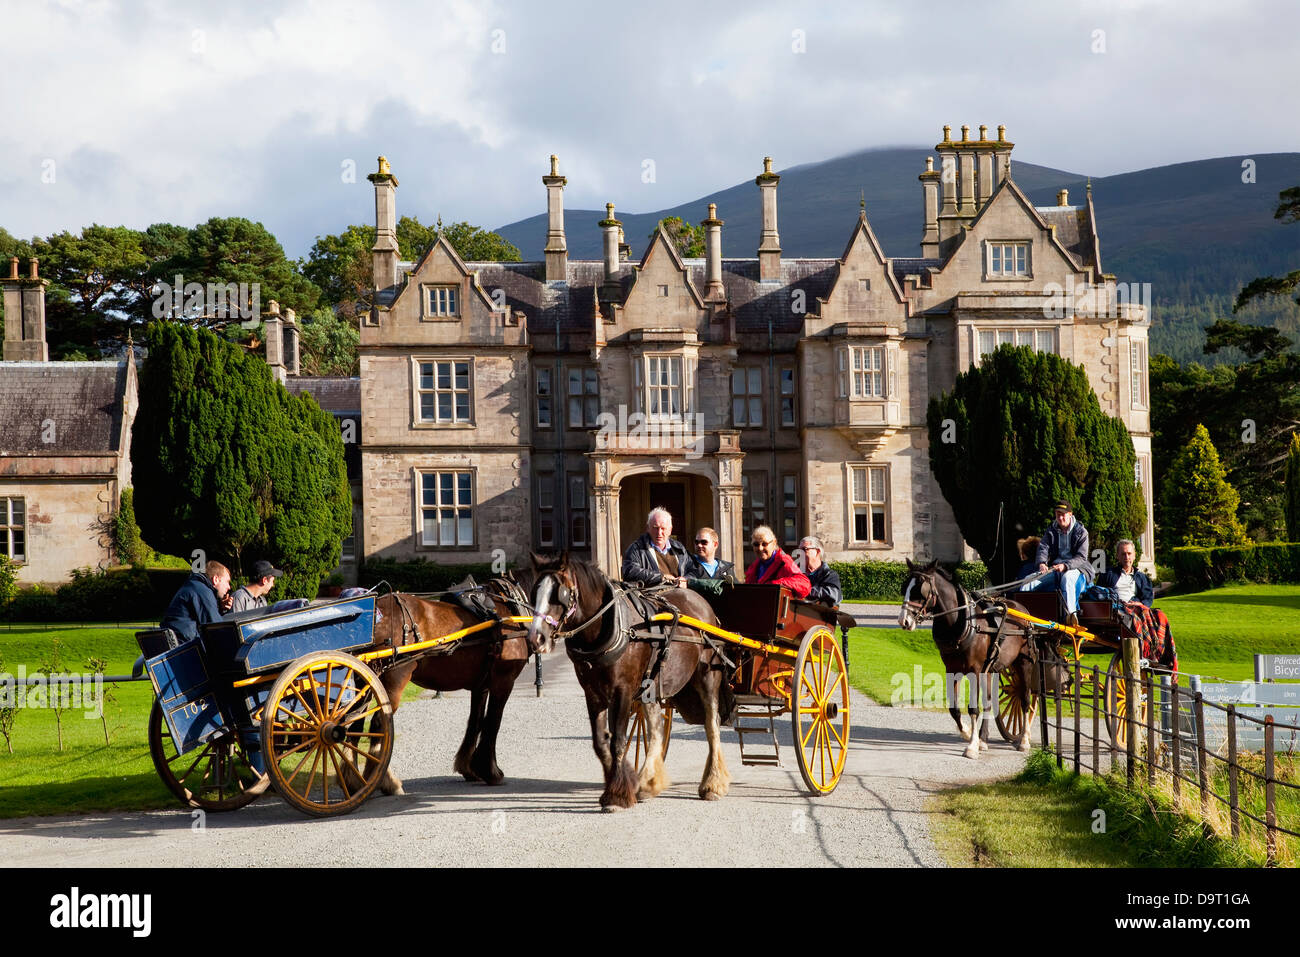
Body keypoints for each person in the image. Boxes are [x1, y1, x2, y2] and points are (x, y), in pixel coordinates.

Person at [1019, 500, 1093, 628]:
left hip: (1077, 569)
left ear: (1070, 514)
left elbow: (1081, 557)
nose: (1060, 517)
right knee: (1027, 582)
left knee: (1067, 578)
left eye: (1063, 514)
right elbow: (1043, 547)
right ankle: (1024, 621)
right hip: (1055, 569)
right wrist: (1042, 563)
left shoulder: (1081, 532)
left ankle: (1071, 618)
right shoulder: (1051, 530)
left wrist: (1066, 566)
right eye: (1058, 514)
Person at [621, 506, 691, 588]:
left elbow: (693, 571)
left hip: (680, 595)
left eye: (663, 528)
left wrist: (686, 580)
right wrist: (661, 577)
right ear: (648, 528)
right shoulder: (636, 549)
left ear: (670, 530)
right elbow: (630, 571)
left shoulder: (679, 549)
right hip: (650, 598)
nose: (659, 533)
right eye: (655, 528)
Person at [161, 559, 231, 640]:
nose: (229, 587)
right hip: (183, 645)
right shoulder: (203, 591)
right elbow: (216, 629)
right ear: (216, 579)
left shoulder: (195, 586)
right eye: (227, 582)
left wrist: (220, 608)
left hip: (173, 641)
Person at [744, 525, 811, 599]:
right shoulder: (754, 566)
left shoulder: (784, 561)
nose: (760, 548)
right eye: (756, 544)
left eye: (764, 544)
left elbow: (804, 584)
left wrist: (776, 585)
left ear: (774, 543)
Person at [1096, 539, 1154, 606]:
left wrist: (1140, 604)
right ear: (1117, 556)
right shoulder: (1107, 574)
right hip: (1114, 610)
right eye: (1123, 554)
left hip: (1134, 611)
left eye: (1129, 554)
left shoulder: (1142, 578)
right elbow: (1098, 594)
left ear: (1134, 555)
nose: (1127, 557)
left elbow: (1148, 598)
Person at [797, 536, 841, 606]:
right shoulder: (796, 573)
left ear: (817, 552)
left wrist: (804, 590)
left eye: (804, 549)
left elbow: (833, 594)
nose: (799, 553)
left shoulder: (829, 574)